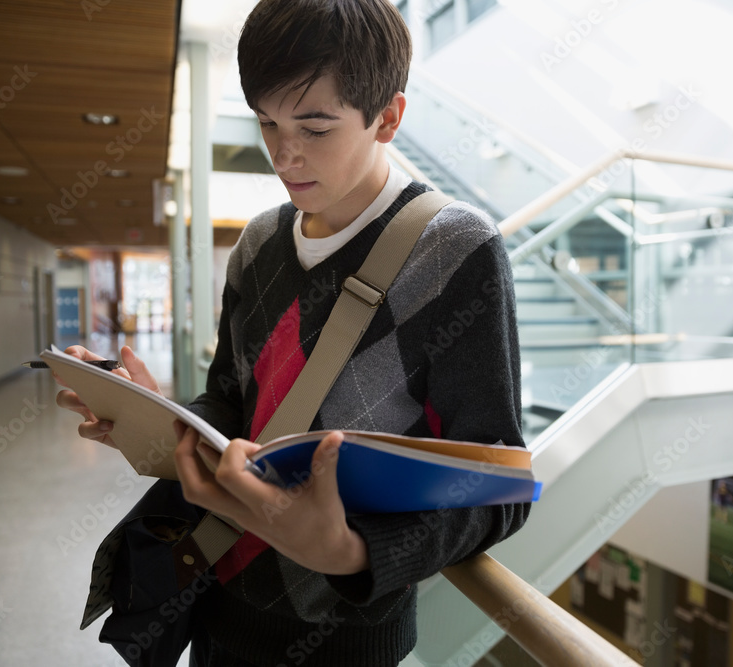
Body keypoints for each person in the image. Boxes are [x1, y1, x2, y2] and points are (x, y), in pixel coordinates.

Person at [56, 1, 530, 664]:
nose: (284, 152)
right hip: (216, 603)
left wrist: (351, 550)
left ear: (388, 117)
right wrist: (153, 416)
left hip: (347, 640)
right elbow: (229, 399)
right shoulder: (258, 243)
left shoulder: (452, 249)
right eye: (266, 121)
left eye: (314, 125)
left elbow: (498, 484)